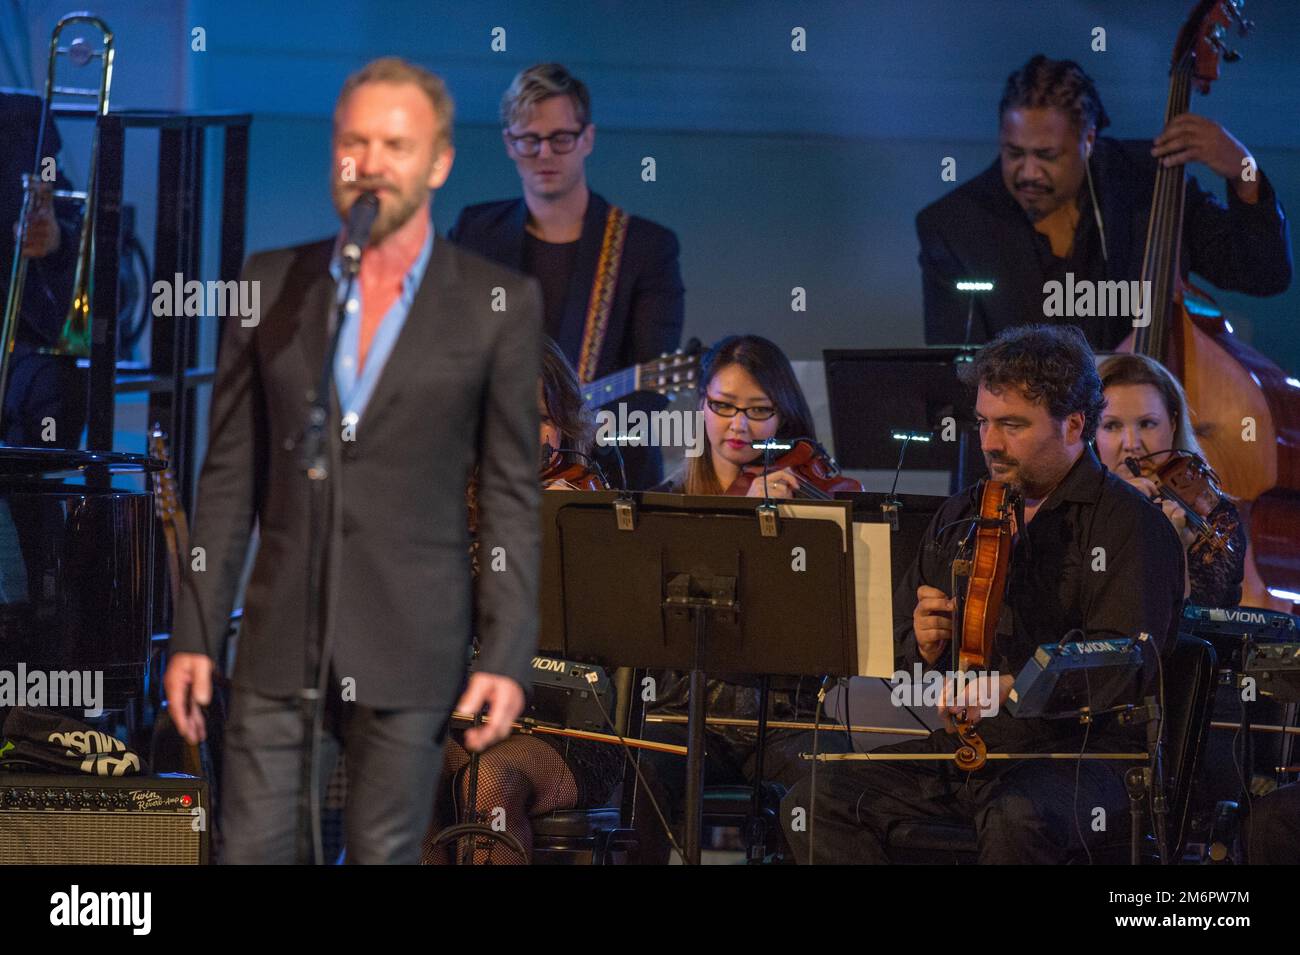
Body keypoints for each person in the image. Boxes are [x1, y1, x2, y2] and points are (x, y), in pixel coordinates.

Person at [163, 57, 543, 865]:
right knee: (254, 852)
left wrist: (507, 652)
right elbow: (229, 475)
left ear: (438, 162)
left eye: (395, 144)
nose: (370, 161)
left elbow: (513, 495)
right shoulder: (272, 282)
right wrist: (196, 630)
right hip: (278, 641)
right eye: (355, 141)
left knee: (381, 853)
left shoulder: (493, 305)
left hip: (412, 643)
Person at [783, 324, 1186, 864]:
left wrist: (1015, 687)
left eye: (1013, 425)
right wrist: (920, 644)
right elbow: (904, 638)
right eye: (984, 423)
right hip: (974, 749)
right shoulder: (961, 515)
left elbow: (1124, 657)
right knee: (815, 800)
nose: (991, 443)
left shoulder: (1129, 525)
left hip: (1089, 756)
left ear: (1073, 425)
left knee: (1017, 817)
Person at [639, 334, 852, 862]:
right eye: (724, 406)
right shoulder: (664, 502)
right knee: (636, 776)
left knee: (837, 787)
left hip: (784, 718)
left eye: (760, 410)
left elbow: (833, 622)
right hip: (682, 714)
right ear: (701, 403)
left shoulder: (804, 492)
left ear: (784, 416)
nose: (739, 425)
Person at [917, 55, 1291, 349]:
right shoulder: (953, 227)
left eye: (1047, 156)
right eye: (1014, 153)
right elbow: (961, 371)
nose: (1028, 172)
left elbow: (1264, 275)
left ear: (1089, 140)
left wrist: (1244, 172)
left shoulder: (1149, 183)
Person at [422, 338, 622, 864]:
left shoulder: (588, 509)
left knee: (489, 781)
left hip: (568, 731)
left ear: (563, 424)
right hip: (465, 715)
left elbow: (617, 637)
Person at [449, 63, 685, 490]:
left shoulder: (644, 246)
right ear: (509, 143)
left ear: (587, 138)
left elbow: (652, 386)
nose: (544, 154)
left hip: (609, 472)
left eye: (560, 138)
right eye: (529, 140)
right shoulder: (476, 232)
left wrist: (570, 432)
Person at [1095, 352, 1246, 608]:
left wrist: (1171, 546)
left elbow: (1193, 621)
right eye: (1111, 426)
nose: (1132, 444)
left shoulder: (1216, 515)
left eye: (1147, 424)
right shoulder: (1078, 508)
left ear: (1173, 424)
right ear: (1091, 432)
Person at [0, 90, 84, 448]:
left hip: (16, 343)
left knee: (49, 390)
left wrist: (54, 240)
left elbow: (66, 218)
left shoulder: (21, 119)